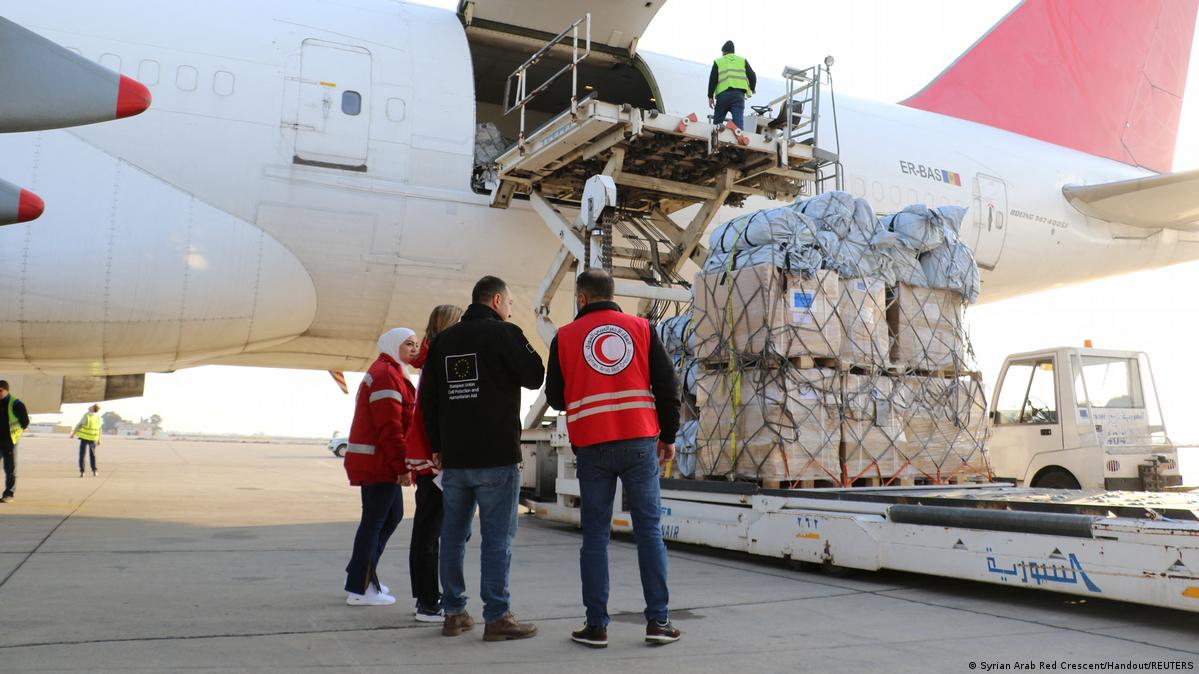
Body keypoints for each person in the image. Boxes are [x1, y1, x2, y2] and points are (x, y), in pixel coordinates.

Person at [545, 269, 682, 648]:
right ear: (611, 293)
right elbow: (667, 386)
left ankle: (596, 626)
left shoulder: (565, 337)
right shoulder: (641, 329)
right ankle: (658, 621)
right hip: (638, 441)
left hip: (592, 444)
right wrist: (669, 435)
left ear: (581, 298)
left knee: (595, 536)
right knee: (649, 532)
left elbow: (555, 397)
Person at [420, 276, 544, 641]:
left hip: (455, 458)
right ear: (496, 301)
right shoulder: (505, 334)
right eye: (510, 303)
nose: (511, 310)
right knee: (496, 540)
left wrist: (438, 445)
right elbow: (535, 375)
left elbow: (428, 398)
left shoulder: (444, 341)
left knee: (452, 537)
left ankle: (453, 613)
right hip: (496, 456)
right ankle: (497, 616)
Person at [343, 328, 419, 607]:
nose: (414, 349)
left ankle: (361, 575)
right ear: (393, 345)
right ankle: (360, 588)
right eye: (408, 344)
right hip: (380, 463)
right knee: (375, 522)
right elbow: (390, 428)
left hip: (381, 462)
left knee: (390, 517)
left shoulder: (393, 372)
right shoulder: (387, 375)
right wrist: (402, 467)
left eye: (416, 344)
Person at [405, 304, 464, 623]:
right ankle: (427, 602)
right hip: (433, 458)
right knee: (429, 532)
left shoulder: (430, 357)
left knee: (431, 530)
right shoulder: (440, 358)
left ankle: (428, 597)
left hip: (428, 455)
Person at [707, 40, 757, 131]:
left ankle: (716, 135)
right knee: (738, 123)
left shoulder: (718, 62)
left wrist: (710, 96)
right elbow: (752, 75)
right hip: (738, 96)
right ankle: (738, 136)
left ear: (724, 52)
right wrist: (752, 88)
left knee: (717, 122)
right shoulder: (742, 61)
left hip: (723, 95)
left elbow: (712, 80)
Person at [0, 380, 29, 503]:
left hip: (10, 441)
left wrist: (16, 434)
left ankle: (9, 494)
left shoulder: (16, 404)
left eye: (0, 390)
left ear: (6, 390)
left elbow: (25, 422)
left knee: (10, 469)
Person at [71, 404, 102, 477]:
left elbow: (79, 424)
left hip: (84, 437)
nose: (89, 406)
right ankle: (94, 471)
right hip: (93, 438)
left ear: (93, 409)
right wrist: (99, 439)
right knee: (93, 455)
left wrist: (73, 433)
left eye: (91, 406)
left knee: (82, 455)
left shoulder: (87, 415)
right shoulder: (98, 417)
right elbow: (99, 429)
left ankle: (82, 472)